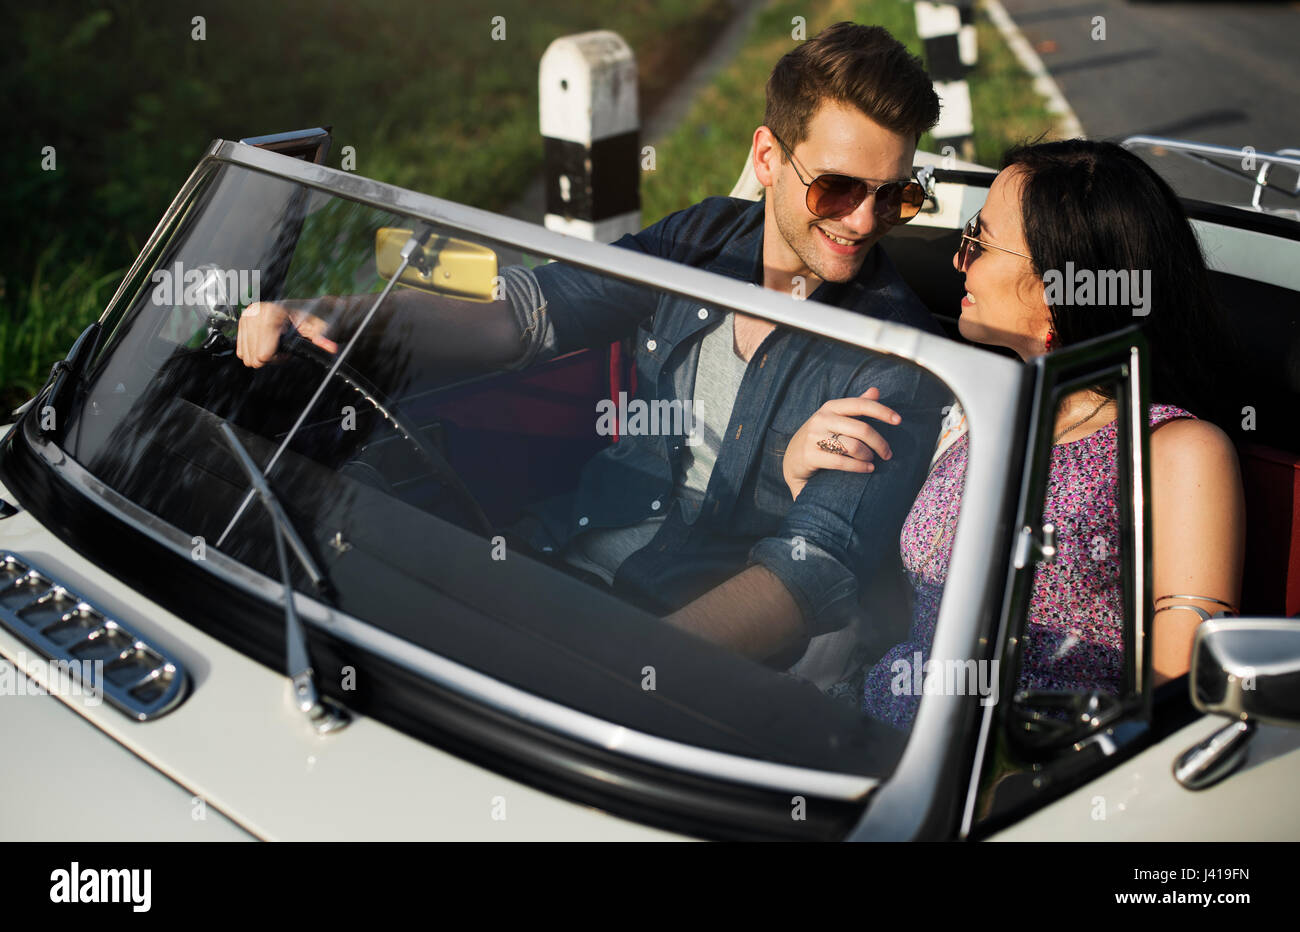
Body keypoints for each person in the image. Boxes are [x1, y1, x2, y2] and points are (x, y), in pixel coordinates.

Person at [235, 22, 953, 678]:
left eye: (895, 197)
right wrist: (332, 313)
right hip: (549, 557)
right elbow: (520, 314)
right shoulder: (700, 238)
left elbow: (810, 574)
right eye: (836, 189)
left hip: (680, 650)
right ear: (768, 157)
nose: (864, 222)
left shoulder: (894, 353)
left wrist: (616, 672)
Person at [780, 139, 1246, 726]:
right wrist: (804, 479)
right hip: (874, 733)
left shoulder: (1177, 451)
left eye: (979, 238)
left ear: (1060, 287)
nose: (958, 258)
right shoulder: (970, 416)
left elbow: (1181, 702)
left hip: (1025, 787)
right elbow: (900, 617)